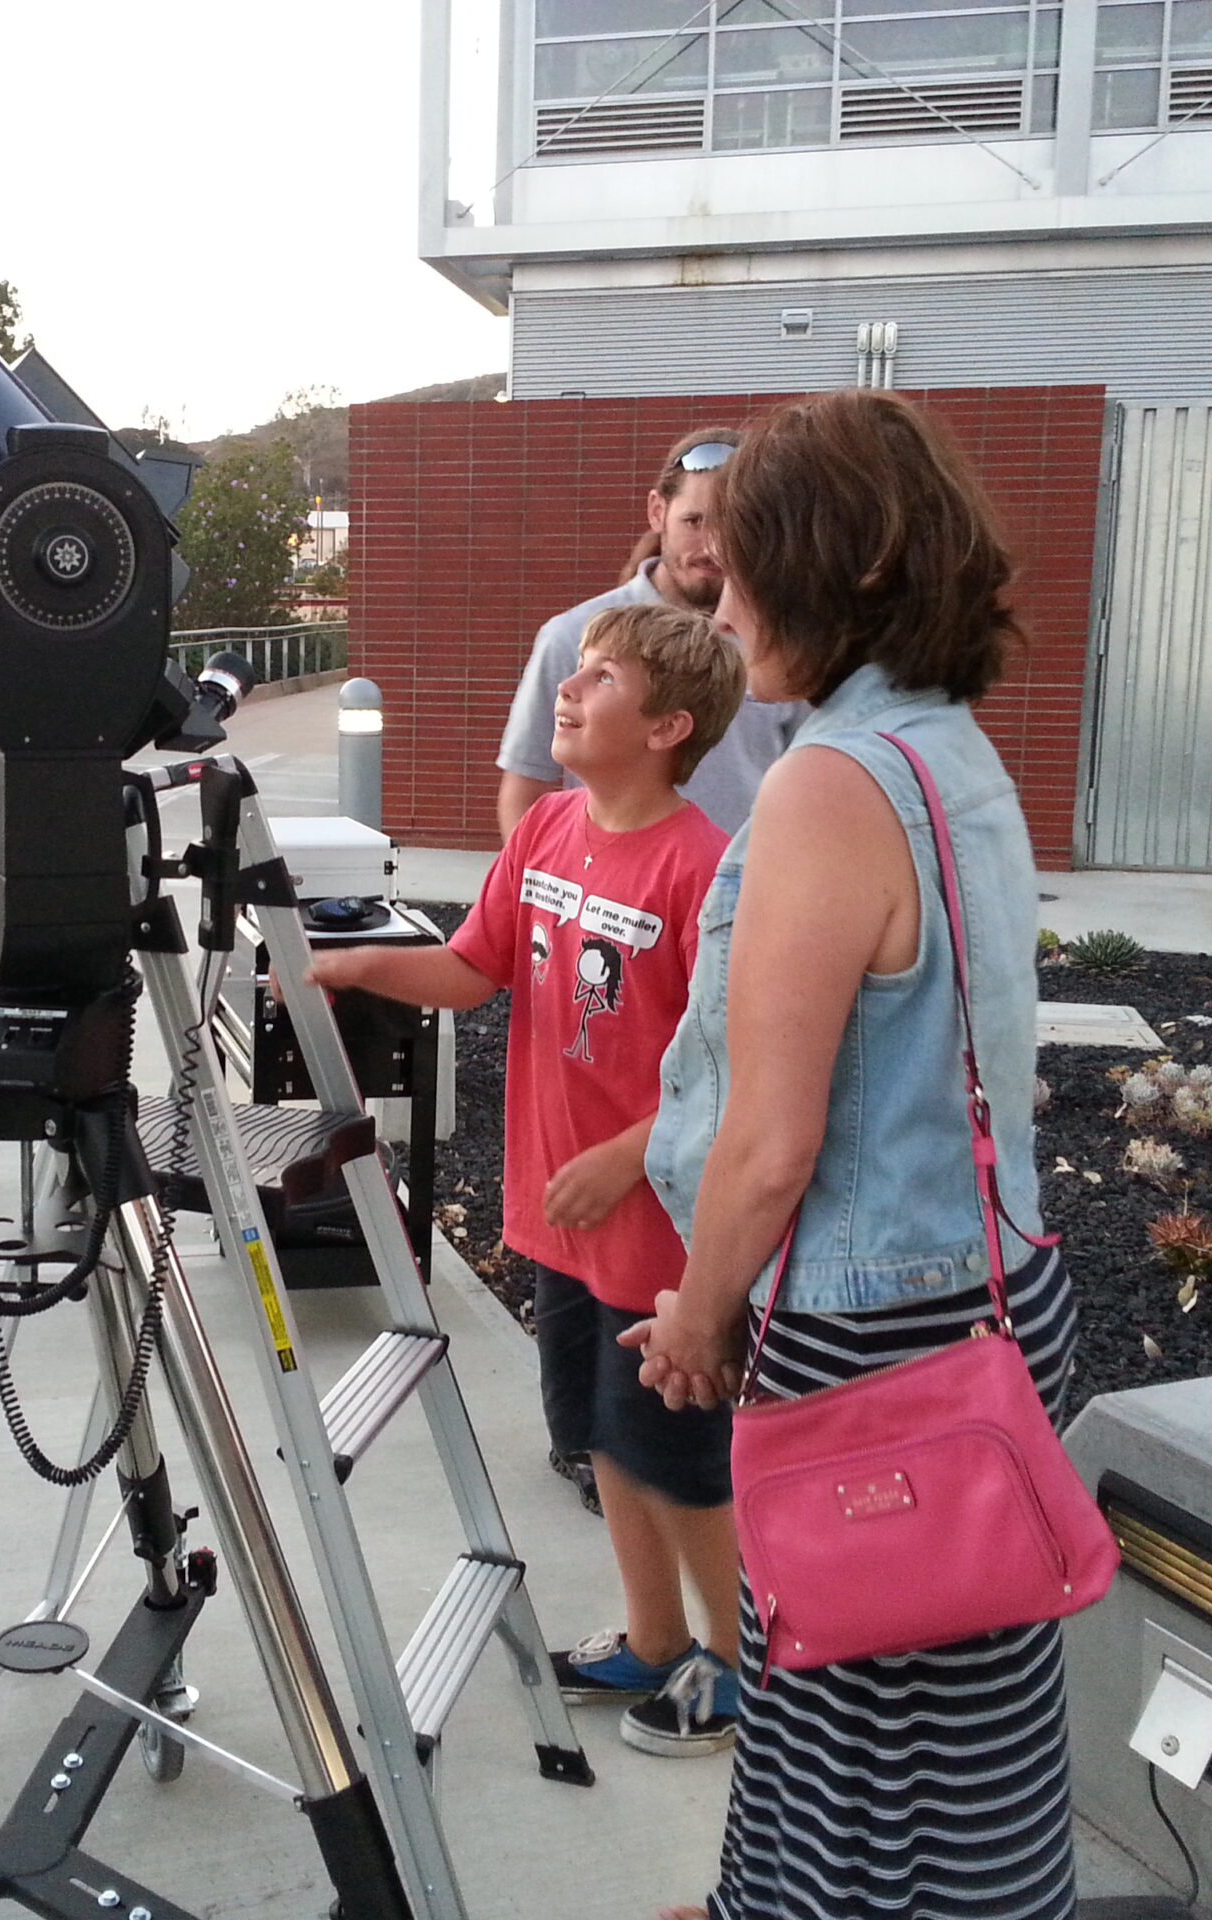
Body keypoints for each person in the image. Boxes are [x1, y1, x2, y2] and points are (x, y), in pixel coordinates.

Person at [631, 390, 1079, 1918]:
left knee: (862, 1744)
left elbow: (772, 1140)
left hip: (874, 1335)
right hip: (990, 1293)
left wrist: (699, 1317)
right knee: (946, 1722)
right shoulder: (946, 750)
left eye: (746, 565)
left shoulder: (832, 784)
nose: (721, 602)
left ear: (845, 566)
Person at [309, 602, 748, 1757]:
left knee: (680, 1462)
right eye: (575, 670)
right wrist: (353, 966)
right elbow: (471, 969)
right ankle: (652, 1639)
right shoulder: (548, 827)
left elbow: (735, 1068)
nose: (568, 688)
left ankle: (740, 1666)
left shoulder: (704, 869)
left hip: (656, 1234)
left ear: (668, 726)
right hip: (563, 1219)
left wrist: (625, 1155)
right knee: (602, 1437)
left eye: (600, 679)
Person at [493, 429, 804, 842]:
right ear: (658, 511)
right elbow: (525, 786)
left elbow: (809, 786)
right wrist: (542, 880)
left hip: (747, 878)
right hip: (608, 880)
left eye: (736, 525)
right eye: (695, 521)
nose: (713, 546)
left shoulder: (782, 644)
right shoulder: (572, 637)